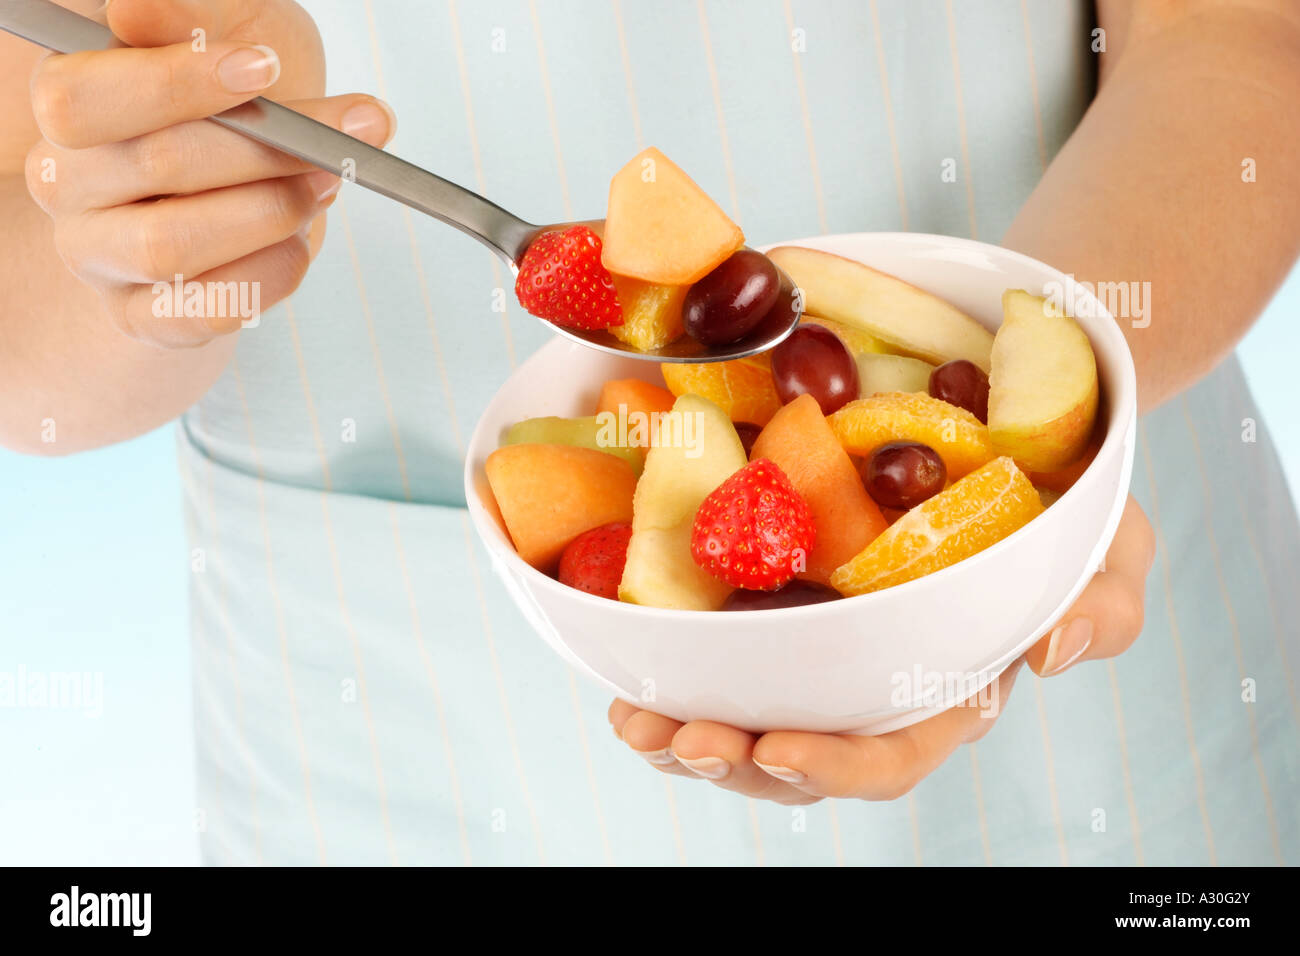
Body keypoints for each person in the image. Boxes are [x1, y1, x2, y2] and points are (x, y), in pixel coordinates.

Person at [2, 0, 1296, 865]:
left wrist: (1046, 427)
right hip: (394, 741)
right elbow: (29, 322)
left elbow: (1233, 42)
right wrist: (151, 240)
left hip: (1100, 646)